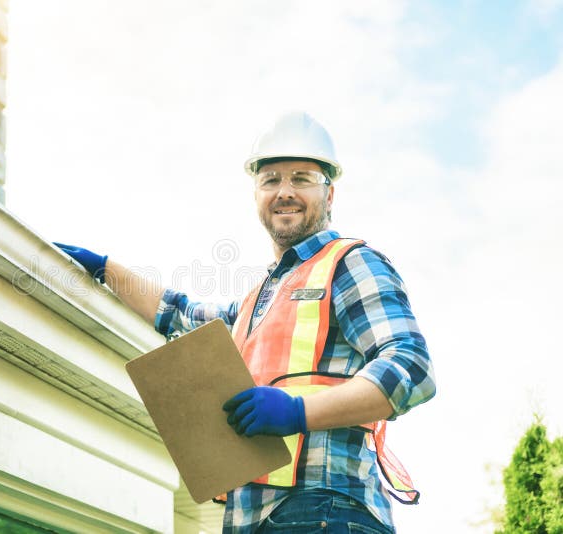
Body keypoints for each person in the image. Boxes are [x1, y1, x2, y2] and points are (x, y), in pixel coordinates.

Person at [54, 111, 436, 533]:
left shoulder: (348, 264)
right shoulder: (257, 301)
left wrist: (296, 412)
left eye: (302, 178)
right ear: (256, 194)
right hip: (254, 520)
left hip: (326, 510)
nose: (285, 192)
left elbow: (412, 367)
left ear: (330, 194)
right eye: (271, 179)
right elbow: (178, 314)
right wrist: (105, 268)